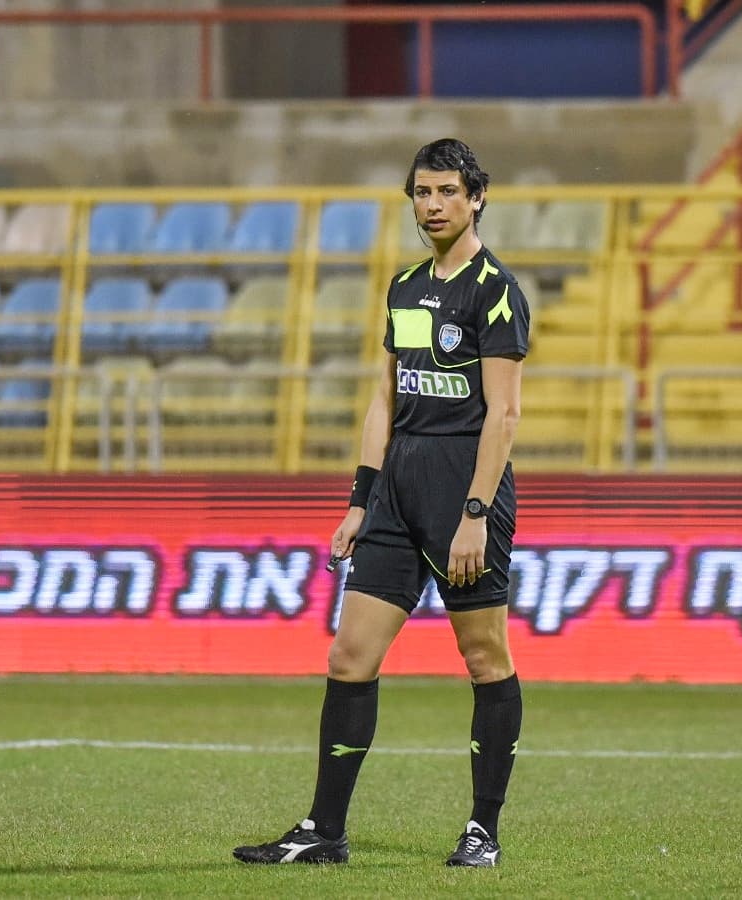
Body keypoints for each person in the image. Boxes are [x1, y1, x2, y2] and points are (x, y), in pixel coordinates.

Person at [234, 138, 530, 868]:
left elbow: (504, 415)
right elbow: (385, 396)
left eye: (446, 193)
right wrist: (360, 500)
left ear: (476, 198)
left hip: (463, 495)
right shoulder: (404, 286)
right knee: (349, 656)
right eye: (421, 194)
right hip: (396, 497)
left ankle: (482, 830)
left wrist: (474, 514)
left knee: (485, 657)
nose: (432, 206)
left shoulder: (495, 291)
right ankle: (324, 831)